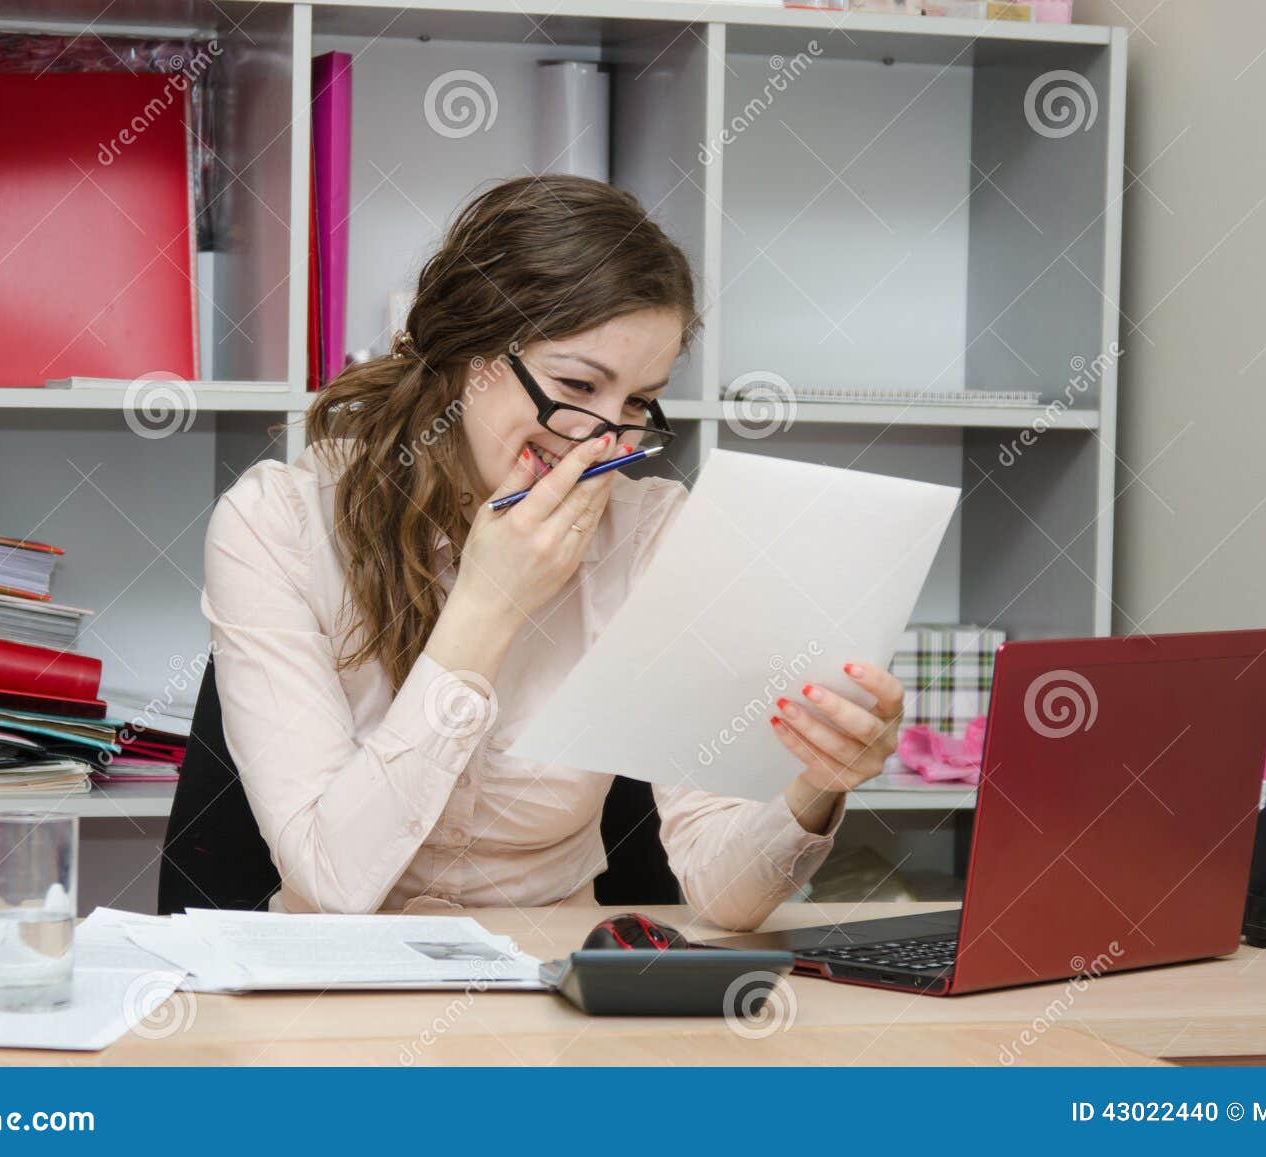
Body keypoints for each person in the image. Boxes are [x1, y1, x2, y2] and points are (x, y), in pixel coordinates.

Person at [201, 175, 903, 931]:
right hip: (327, 988)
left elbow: (723, 890)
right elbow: (333, 880)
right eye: (577, 383)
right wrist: (488, 604)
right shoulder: (278, 524)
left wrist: (813, 786)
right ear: (473, 355)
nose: (606, 440)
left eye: (637, 402)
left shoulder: (655, 534)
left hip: (554, 987)